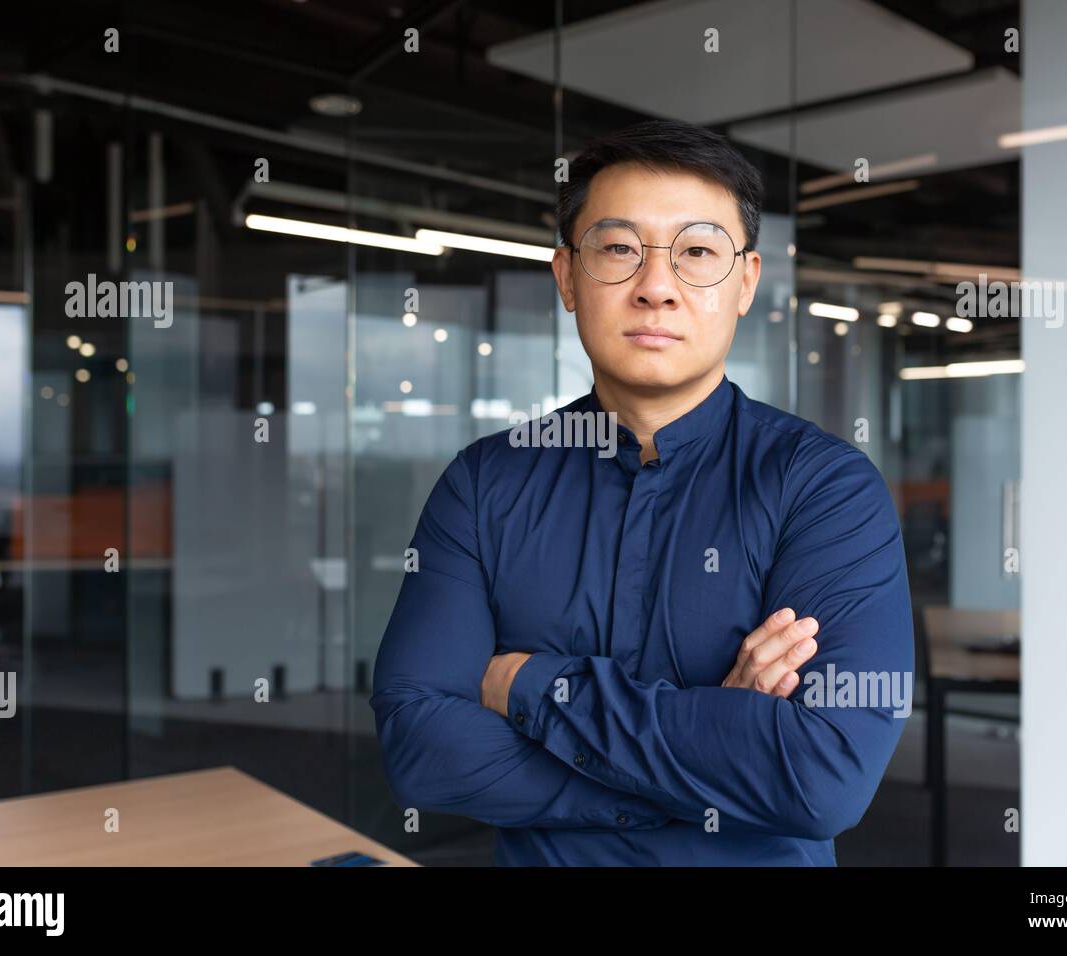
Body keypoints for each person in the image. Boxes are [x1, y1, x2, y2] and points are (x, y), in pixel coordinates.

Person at [370, 119, 914, 866]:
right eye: (619, 249)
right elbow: (419, 745)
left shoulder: (823, 489)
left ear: (746, 281)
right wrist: (715, 751)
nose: (656, 287)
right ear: (567, 276)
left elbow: (823, 780)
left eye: (696, 253)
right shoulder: (485, 483)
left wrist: (528, 684)